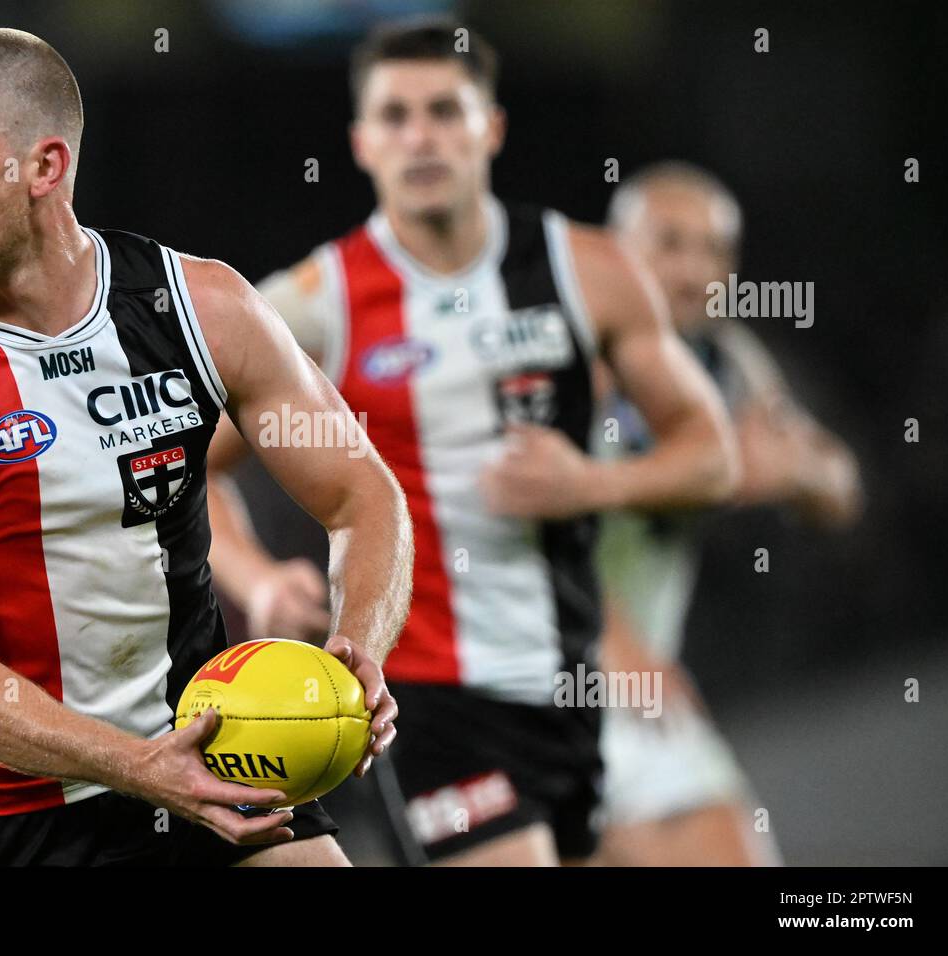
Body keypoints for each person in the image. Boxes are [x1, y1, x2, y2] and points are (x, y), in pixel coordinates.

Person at [0, 28, 412, 867]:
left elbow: (363, 495)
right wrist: (138, 766)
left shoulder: (201, 308)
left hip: (214, 764)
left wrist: (362, 647)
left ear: (45, 167)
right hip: (22, 819)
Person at [205, 18, 738, 866]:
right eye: (396, 115)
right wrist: (259, 579)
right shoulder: (318, 299)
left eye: (445, 112)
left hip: (567, 685)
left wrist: (588, 486)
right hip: (424, 697)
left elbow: (712, 453)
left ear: (490, 128)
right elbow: (190, 471)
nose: (421, 136)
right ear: (361, 142)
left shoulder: (585, 269)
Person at [594, 161, 863, 866]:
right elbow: (503, 525)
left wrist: (795, 473)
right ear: (618, 249)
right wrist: (615, 648)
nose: (694, 269)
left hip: (634, 692)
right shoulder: (572, 355)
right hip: (535, 681)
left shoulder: (727, 365)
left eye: (714, 250)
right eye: (670, 243)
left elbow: (840, 483)